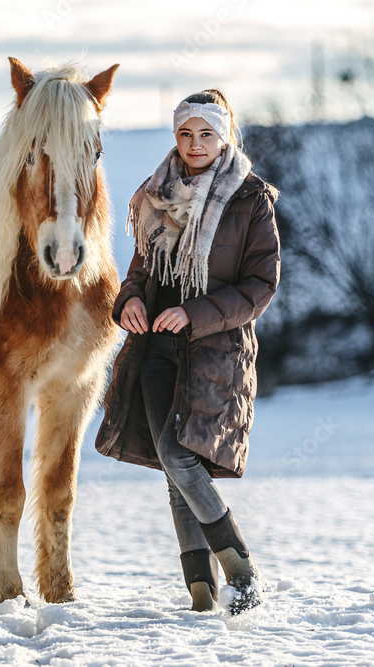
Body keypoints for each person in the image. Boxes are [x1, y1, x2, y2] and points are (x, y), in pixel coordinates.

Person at [94, 90, 280, 614]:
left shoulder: (250, 200)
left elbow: (260, 286)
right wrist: (127, 301)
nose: (195, 144)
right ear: (175, 137)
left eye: (206, 134)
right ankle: (201, 593)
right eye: (185, 133)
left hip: (215, 353)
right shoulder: (155, 194)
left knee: (180, 457)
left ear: (225, 137)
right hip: (154, 348)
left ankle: (241, 573)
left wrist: (193, 315)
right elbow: (138, 273)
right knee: (174, 468)